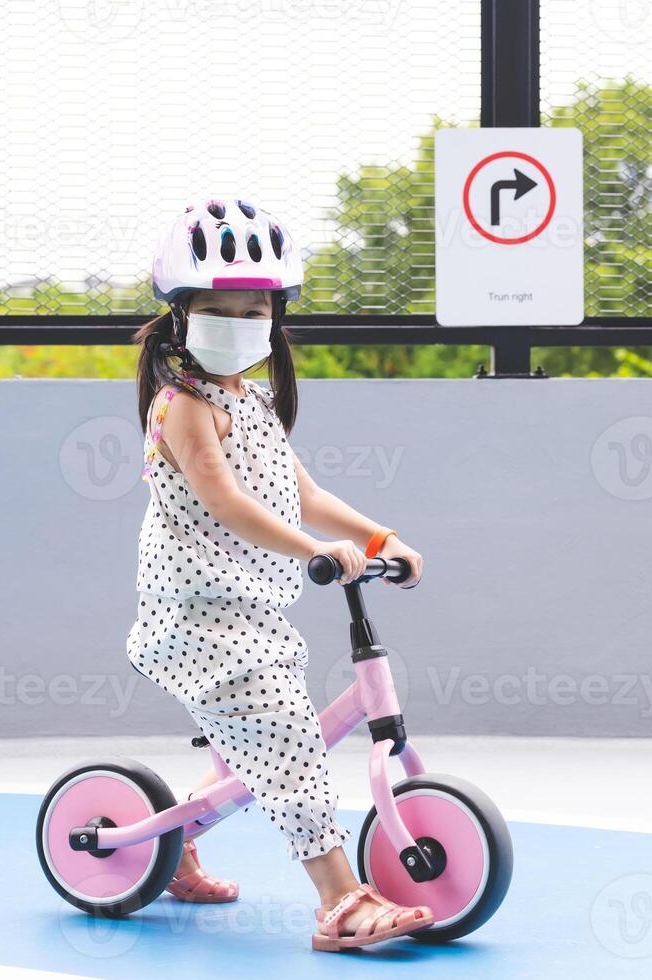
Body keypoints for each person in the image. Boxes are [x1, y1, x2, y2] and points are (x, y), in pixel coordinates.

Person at [126, 198, 431, 951]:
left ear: (275, 315)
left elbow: (307, 493)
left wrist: (378, 535)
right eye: (219, 307)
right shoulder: (183, 409)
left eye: (254, 306)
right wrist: (313, 552)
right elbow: (225, 500)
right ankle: (340, 902)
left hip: (250, 611)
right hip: (195, 618)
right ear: (180, 316)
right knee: (288, 741)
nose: (239, 320)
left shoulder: (253, 401)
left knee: (253, 749)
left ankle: (178, 844)